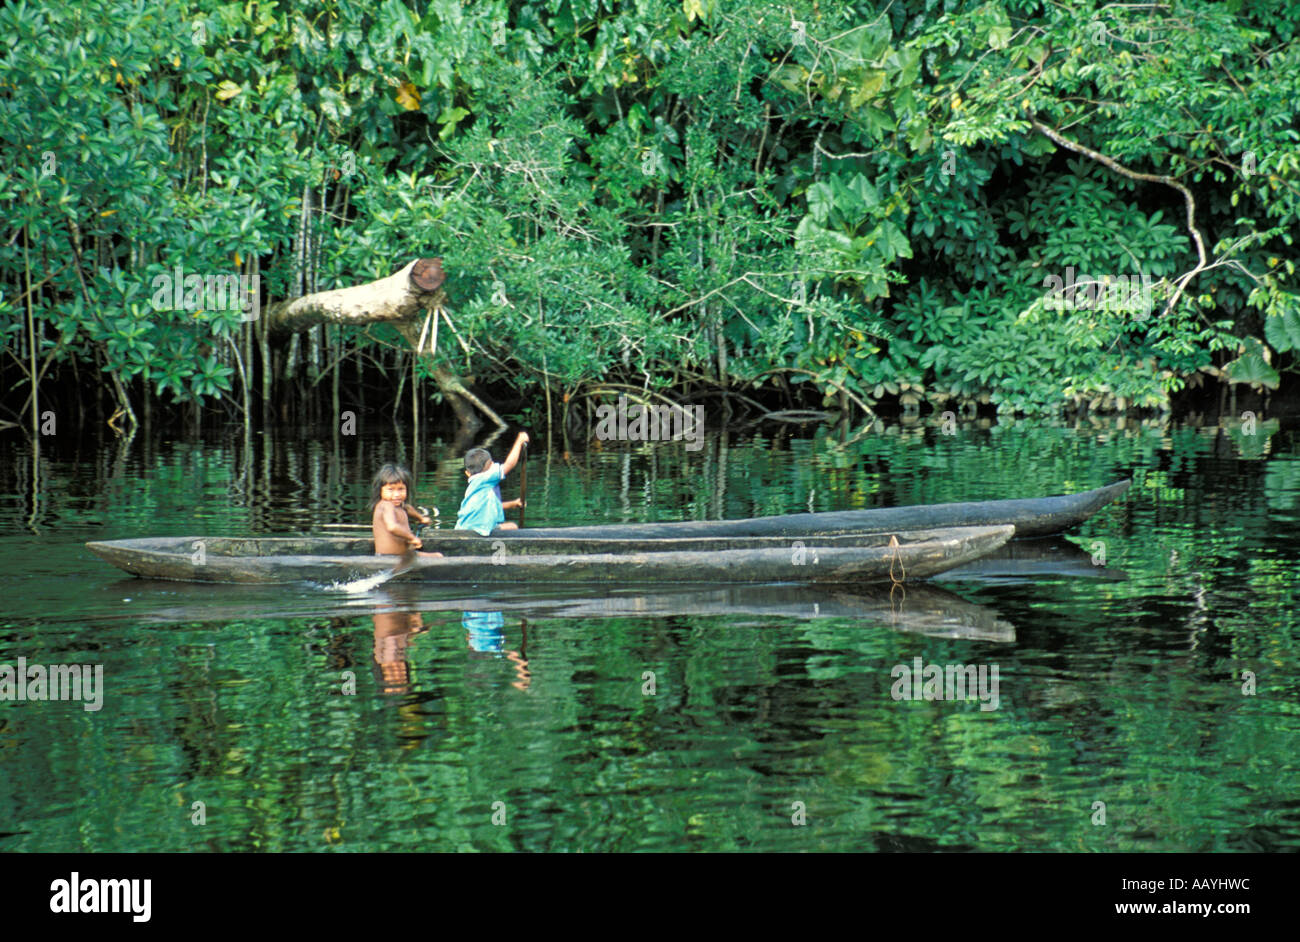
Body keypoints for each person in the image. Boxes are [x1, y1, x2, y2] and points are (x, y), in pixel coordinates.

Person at [455, 432, 529, 535]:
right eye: (492, 464)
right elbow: (509, 465)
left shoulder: (473, 487)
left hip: (463, 528)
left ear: (467, 474)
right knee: (513, 527)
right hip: (479, 529)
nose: (494, 465)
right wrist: (519, 441)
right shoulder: (485, 478)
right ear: (490, 466)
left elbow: (489, 506)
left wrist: (513, 504)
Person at [370, 463, 440, 556]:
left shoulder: (400, 505)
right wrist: (412, 538)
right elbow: (392, 527)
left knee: (436, 556)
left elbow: (408, 509)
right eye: (390, 490)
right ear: (380, 490)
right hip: (388, 558)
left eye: (401, 489)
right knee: (438, 557)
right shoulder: (386, 505)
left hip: (402, 556)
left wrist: (421, 518)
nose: (396, 494)